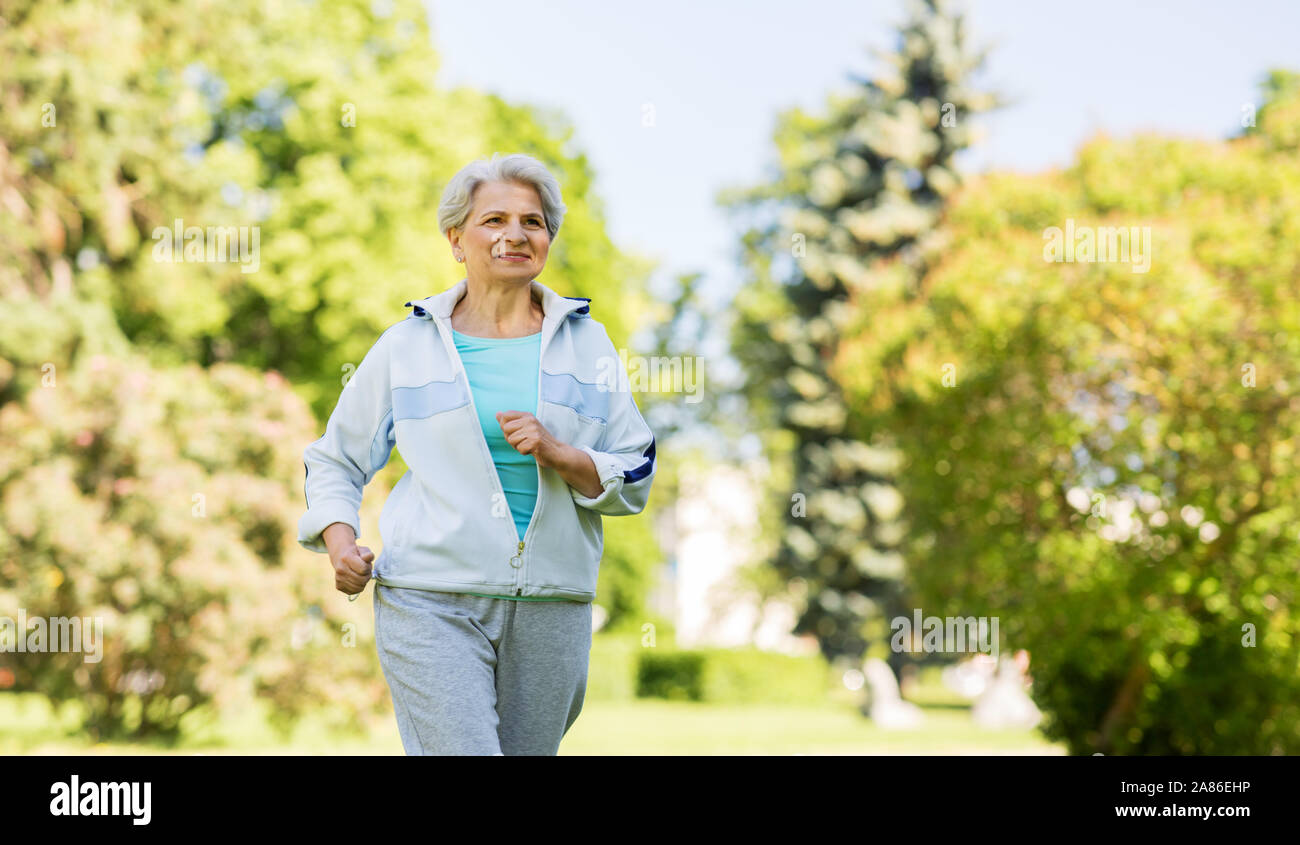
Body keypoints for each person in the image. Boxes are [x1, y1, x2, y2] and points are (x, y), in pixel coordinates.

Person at [296, 152, 657, 755]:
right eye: (494, 220)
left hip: (552, 606)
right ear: (456, 239)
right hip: (430, 597)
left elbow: (636, 467)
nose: (515, 234)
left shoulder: (587, 344)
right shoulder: (406, 346)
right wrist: (338, 544)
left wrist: (561, 453)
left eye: (533, 222)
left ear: (547, 239)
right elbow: (336, 459)